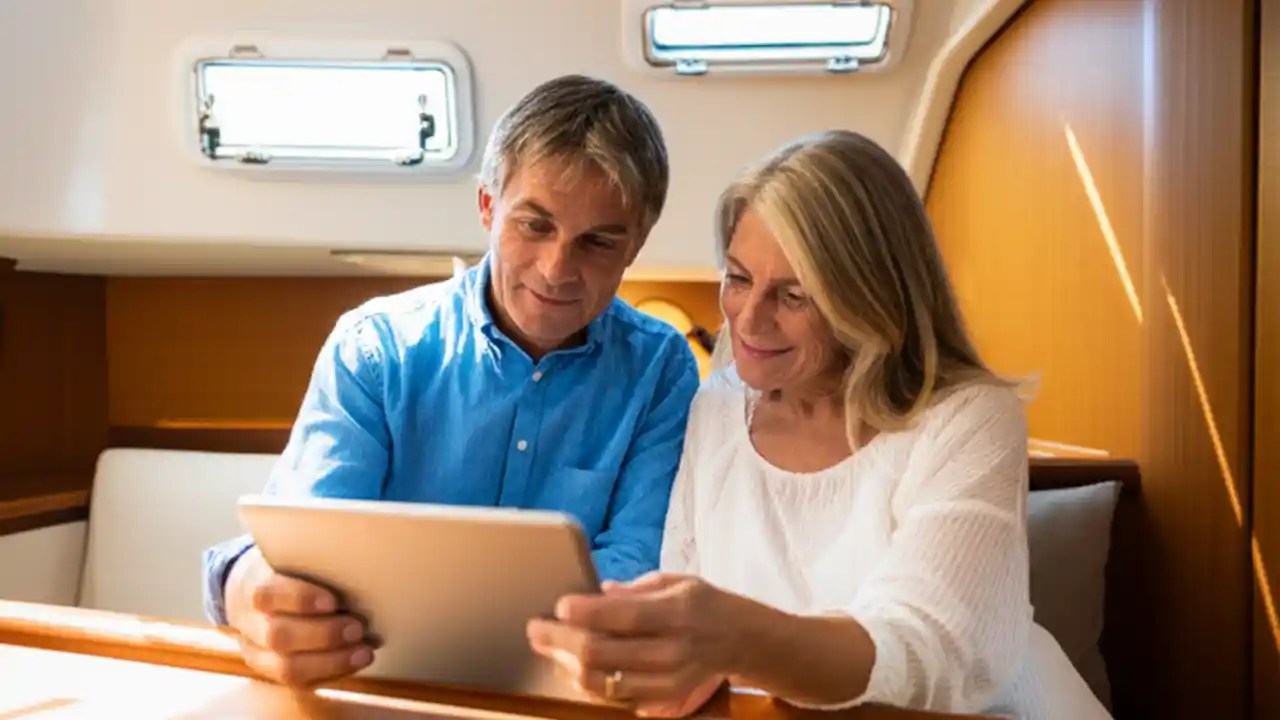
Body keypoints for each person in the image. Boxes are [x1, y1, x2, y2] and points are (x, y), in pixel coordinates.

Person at [526, 130, 1111, 719]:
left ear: (871, 300)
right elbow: (688, 613)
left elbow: (926, 657)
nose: (749, 321)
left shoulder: (970, 420)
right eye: (738, 278)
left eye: (794, 296)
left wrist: (738, 639)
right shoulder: (719, 406)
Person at [201, 74, 699, 687]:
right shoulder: (375, 350)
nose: (556, 269)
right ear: (488, 206)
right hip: (381, 683)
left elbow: (638, 565)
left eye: (596, 242)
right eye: (535, 225)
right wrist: (246, 585)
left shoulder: (662, 370)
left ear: (636, 245)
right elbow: (304, 552)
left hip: (564, 693)